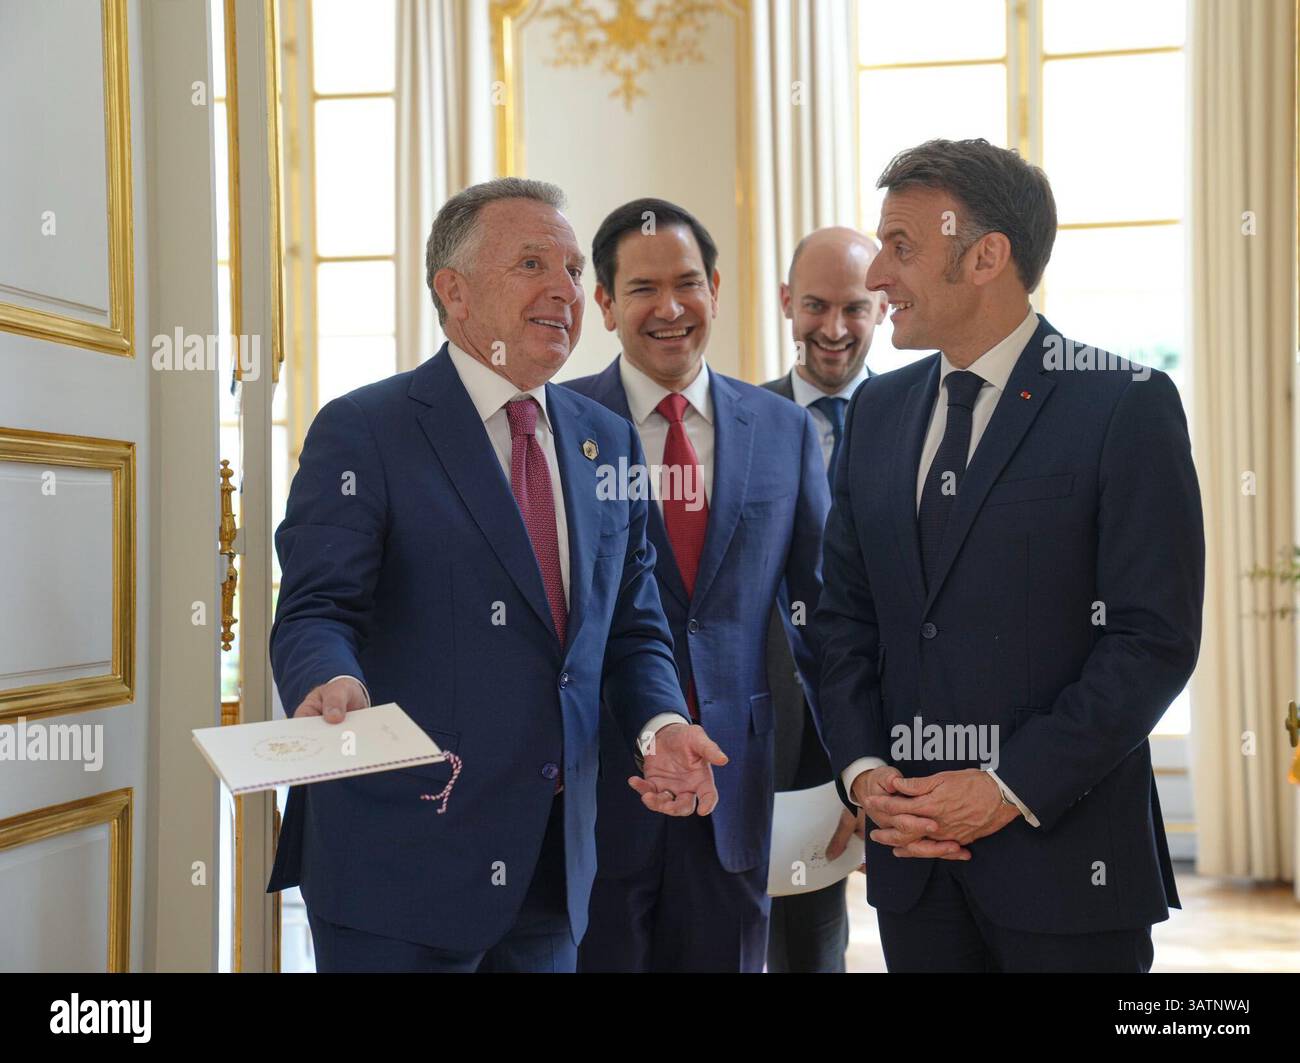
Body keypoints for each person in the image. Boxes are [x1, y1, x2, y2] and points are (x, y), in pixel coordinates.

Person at [266, 178, 727, 973]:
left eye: (576, 270)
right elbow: (317, 609)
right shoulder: (365, 429)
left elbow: (632, 625)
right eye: (531, 263)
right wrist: (328, 680)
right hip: (397, 869)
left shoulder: (606, 441)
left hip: (551, 868)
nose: (566, 290)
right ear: (454, 290)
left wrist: (662, 724)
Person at [816, 138, 1204, 972]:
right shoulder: (875, 412)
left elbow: (1152, 641)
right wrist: (863, 770)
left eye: (902, 246)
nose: (876, 274)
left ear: (987, 255)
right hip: (914, 870)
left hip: (1068, 869)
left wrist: (1003, 787)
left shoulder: (1125, 407)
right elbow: (844, 618)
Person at [565, 198, 829, 972]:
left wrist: (849, 776)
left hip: (733, 785)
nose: (671, 307)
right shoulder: (560, 424)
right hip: (600, 783)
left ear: (715, 288)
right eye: (643, 288)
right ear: (606, 305)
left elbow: (822, 621)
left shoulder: (782, 430)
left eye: (688, 282)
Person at [761, 226, 885, 973]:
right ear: (785, 302)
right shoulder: (738, 420)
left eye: (854, 308)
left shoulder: (921, 418)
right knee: (780, 926)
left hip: (890, 718)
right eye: (815, 305)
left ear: (881, 308)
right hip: (771, 721)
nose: (833, 329)